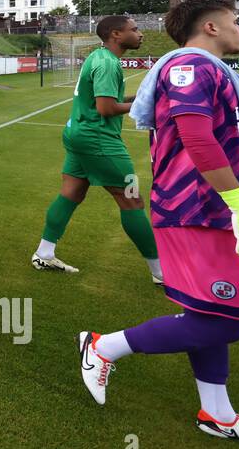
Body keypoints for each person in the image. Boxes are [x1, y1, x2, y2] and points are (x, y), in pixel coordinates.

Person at [77, 0, 239, 448]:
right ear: (211, 27)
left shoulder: (207, 67)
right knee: (225, 321)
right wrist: (238, 202)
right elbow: (195, 135)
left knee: (206, 313)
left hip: (202, 208)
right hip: (194, 208)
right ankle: (102, 346)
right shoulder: (191, 67)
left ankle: (218, 414)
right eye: (238, 23)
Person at [29, 15, 161, 282]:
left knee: (71, 193)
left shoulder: (98, 57)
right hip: (98, 140)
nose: (140, 34)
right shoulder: (108, 64)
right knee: (132, 199)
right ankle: (162, 272)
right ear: (115, 34)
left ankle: (44, 253)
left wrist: (138, 98)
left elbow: (105, 101)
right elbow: (106, 109)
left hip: (78, 134)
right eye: (134, 30)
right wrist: (150, 108)